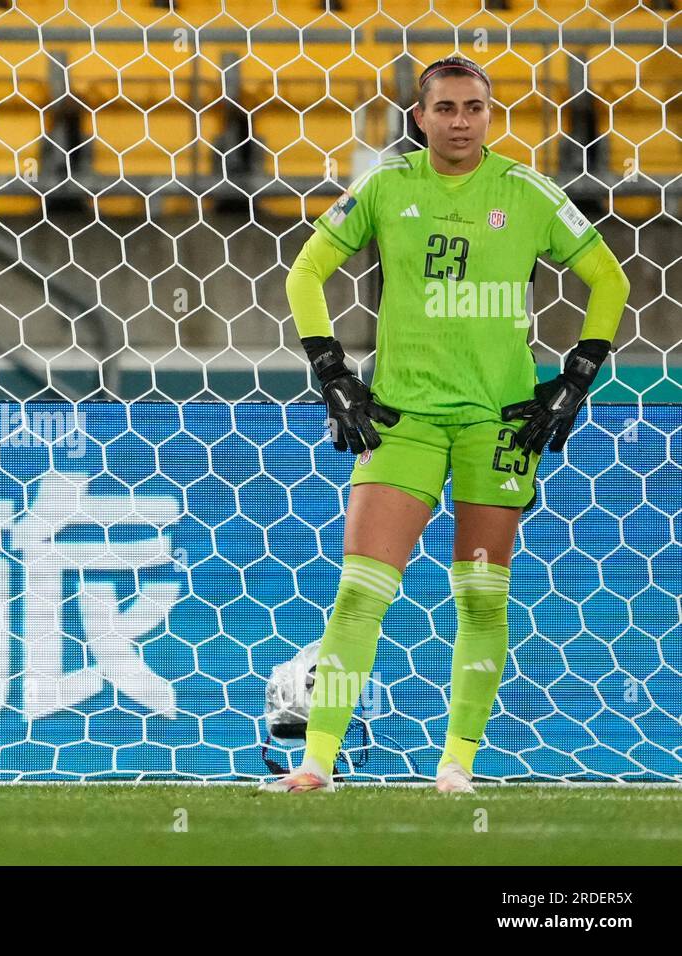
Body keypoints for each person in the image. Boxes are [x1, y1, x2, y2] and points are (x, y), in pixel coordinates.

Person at [263, 55, 630, 793]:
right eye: (447, 108)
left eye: (475, 108)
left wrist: (577, 377)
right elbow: (304, 273)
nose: (461, 121)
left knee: (481, 596)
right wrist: (333, 372)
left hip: (498, 424)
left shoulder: (526, 191)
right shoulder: (386, 187)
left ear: (489, 116)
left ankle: (457, 764)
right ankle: (316, 764)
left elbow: (610, 279)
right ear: (420, 117)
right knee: (361, 591)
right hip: (403, 419)